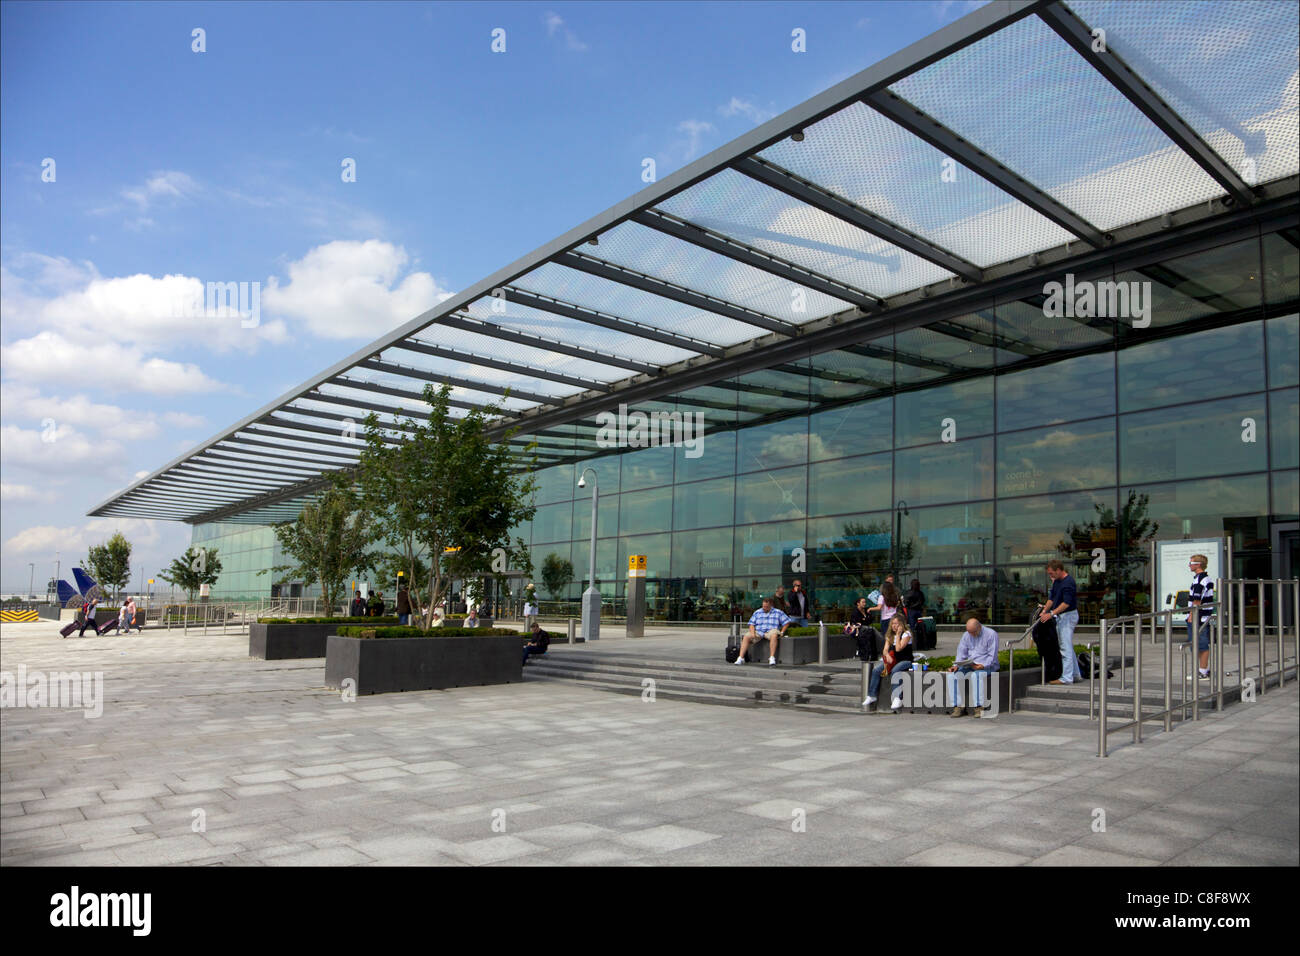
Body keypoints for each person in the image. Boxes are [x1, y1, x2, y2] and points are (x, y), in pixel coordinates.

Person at [947, 617, 999, 717]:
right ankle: (958, 707)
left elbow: (992, 655)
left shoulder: (991, 634)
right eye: (969, 632)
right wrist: (956, 666)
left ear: (979, 627)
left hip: (988, 665)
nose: (971, 634)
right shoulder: (966, 635)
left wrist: (983, 665)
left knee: (976, 676)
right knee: (952, 676)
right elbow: (961, 652)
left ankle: (979, 707)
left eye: (973, 632)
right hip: (971, 664)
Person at [863, 615, 915, 711]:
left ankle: (897, 698)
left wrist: (898, 635)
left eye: (896, 624)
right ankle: (872, 695)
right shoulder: (890, 635)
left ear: (901, 624)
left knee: (895, 671)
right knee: (876, 670)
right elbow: (885, 650)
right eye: (893, 624)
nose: (894, 626)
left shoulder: (906, 634)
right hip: (894, 660)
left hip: (906, 661)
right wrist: (887, 656)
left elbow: (898, 649)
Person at [1041, 559, 1081, 685]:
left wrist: (1051, 614)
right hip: (1061, 616)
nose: (1050, 576)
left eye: (1051, 573)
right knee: (1067, 646)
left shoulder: (1068, 583)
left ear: (1058, 570)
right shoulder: (1057, 582)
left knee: (1065, 647)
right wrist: (1044, 611)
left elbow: (1066, 603)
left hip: (1068, 616)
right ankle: (1075, 674)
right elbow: (1051, 599)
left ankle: (1067, 678)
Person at [735, 596, 791, 667]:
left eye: (766, 606)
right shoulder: (757, 612)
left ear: (771, 605)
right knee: (746, 636)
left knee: (774, 635)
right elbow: (751, 624)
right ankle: (741, 657)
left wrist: (782, 632)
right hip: (759, 631)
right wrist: (752, 633)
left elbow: (787, 622)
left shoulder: (778, 612)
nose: (764, 608)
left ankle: (772, 658)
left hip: (771, 630)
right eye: (763, 606)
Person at [1185, 553, 1213, 679]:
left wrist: (1191, 615)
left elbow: (1197, 600)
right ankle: (1204, 669)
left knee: (1200, 644)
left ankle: (1202, 672)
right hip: (1201, 616)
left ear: (1198, 564)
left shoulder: (1200, 580)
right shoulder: (1203, 578)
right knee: (1199, 644)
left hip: (1199, 617)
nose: (1189, 565)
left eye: (1191, 563)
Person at [846, 596, 880, 661]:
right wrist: (865, 620)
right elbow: (857, 623)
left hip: (867, 630)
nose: (864, 604)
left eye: (865, 602)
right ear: (858, 603)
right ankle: (867, 656)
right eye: (863, 602)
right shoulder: (855, 612)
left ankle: (873, 656)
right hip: (858, 630)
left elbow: (870, 620)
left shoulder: (866, 610)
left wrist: (864, 620)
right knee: (869, 631)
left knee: (870, 632)